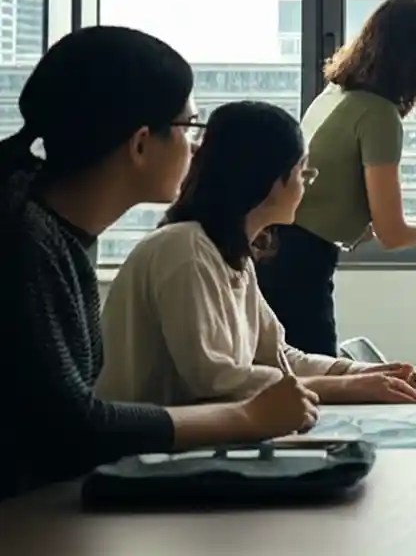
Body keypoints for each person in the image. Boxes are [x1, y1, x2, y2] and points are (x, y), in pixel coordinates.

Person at [0, 27, 317, 501]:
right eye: (189, 128)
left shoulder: (55, 235)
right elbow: (71, 428)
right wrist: (246, 418)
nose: (196, 149)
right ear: (141, 144)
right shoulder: (27, 241)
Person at [97, 101, 416, 408]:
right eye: (301, 172)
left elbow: (280, 357)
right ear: (270, 179)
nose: (305, 185)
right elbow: (216, 381)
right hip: (145, 454)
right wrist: (345, 387)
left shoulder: (232, 256)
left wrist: (367, 373)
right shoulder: (185, 249)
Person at [256, 0, 416, 356]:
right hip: (300, 263)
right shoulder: (379, 115)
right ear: (411, 58)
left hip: (274, 251)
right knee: (317, 374)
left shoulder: (336, 94)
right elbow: (393, 234)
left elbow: (332, 190)